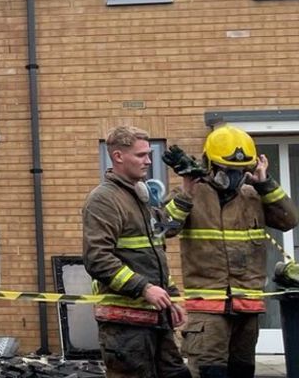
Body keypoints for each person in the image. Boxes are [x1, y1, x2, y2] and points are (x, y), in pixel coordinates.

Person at [164, 125, 298, 378]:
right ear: (210, 164)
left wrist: (265, 183)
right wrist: (186, 193)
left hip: (247, 309)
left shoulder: (253, 196)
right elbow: (164, 229)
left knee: (242, 372)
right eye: (228, 169)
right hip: (208, 313)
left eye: (241, 170)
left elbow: (289, 219)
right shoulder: (190, 194)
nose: (235, 175)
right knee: (209, 372)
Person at [82, 126, 190, 378]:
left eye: (149, 154)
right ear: (118, 156)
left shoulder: (141, 198)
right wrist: (144, 288)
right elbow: (97, 258)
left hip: (155, 320)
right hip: (125, 327)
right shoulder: (104, 200)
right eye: (141, 155)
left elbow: (158, 245)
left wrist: (172, 298)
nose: (148, 161)